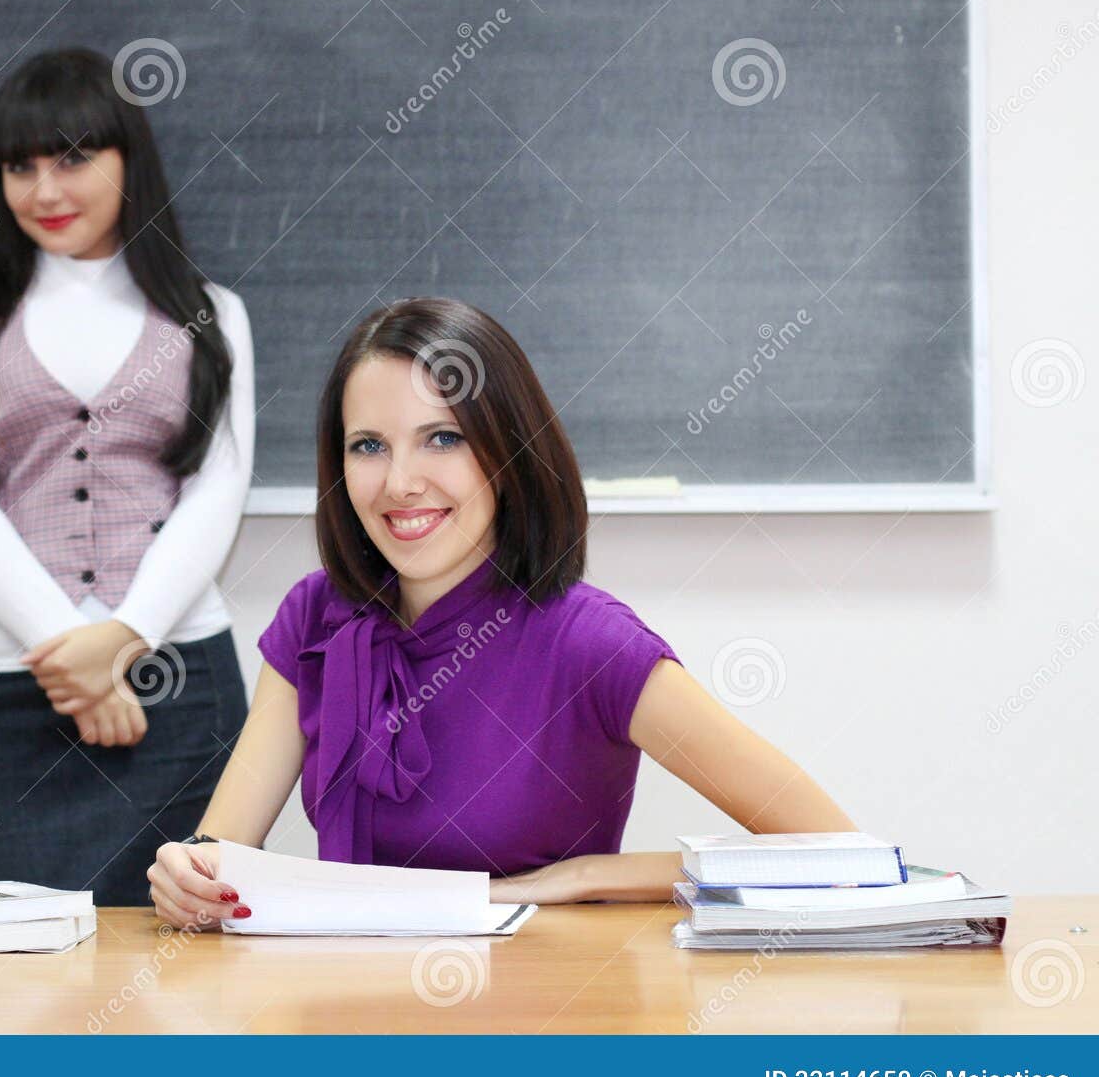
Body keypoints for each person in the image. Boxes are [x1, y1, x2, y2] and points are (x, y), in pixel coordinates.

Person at [147, 297, 855, 928]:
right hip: (353, 1003)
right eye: (369, 446)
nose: (400, 482)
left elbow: (838, 854)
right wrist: (189, 875)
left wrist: (580, 878)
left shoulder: (593, 644)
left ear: (509, 452)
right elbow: (220, 854)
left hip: (541, 1010)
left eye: (442, 437)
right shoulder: (316, 615)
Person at [0, 47, 254, 905]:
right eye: (18, 167)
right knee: (25, 949)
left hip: (177, 675)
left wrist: (124, 637)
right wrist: (73, 652)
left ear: (128, 159)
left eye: (72, 159)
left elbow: (218, 491)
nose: (44, 191)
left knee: (185, 940)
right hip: (4, 684)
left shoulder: (212, 314)